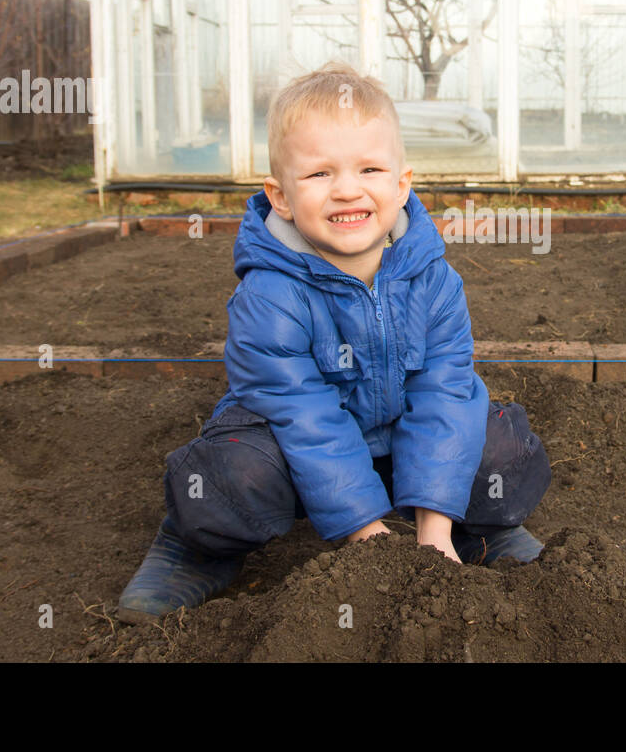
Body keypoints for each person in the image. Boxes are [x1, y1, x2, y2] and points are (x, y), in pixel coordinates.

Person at [117, 61, 551, 624]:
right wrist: (372, 541)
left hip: (398, 442)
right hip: (292, 450)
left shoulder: (435, 279)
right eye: (320, 174)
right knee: (226, 482)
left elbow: (444, 392)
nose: (348, 189)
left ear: (401, 185)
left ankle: (473, 532)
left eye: (369, 168)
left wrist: (432, 532)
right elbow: (306, 419)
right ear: (280, 196)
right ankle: (198, 551)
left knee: (501, 450)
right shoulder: (270, 294)